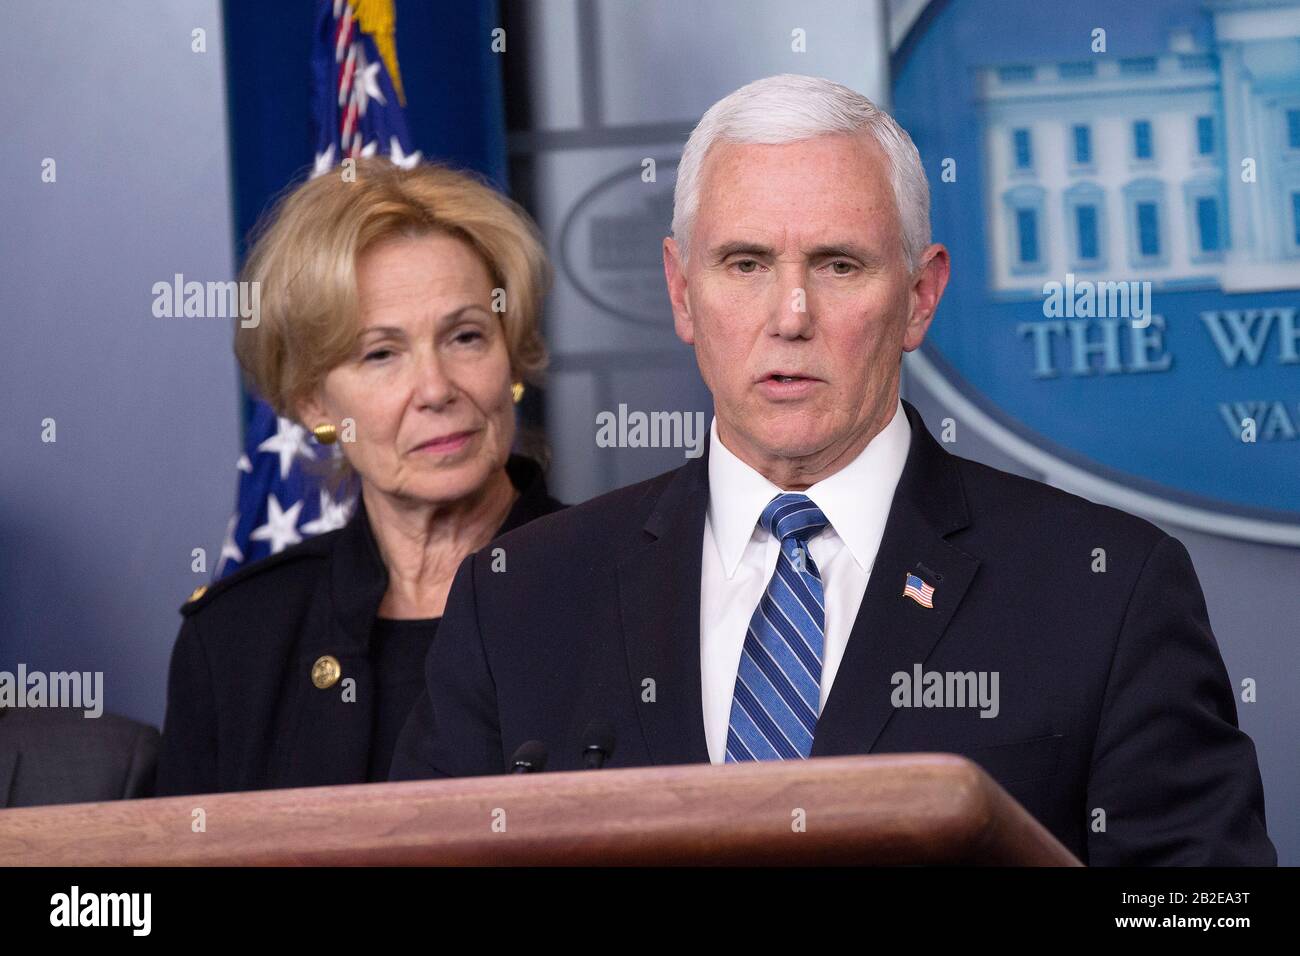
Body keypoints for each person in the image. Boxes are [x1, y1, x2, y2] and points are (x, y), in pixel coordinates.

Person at [389, 75, 1276, 866]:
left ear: (921, 296)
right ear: (680, 291)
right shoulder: (519, 599)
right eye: (744, 264)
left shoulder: (1104, 589)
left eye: (838, 264)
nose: (791, 315)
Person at [155, 158, 564, 796]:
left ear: (511, 352)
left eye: (465, 337)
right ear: (314, 402)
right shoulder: (235, 642)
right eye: (380, 354)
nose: (435, 389)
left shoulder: (623, 587)